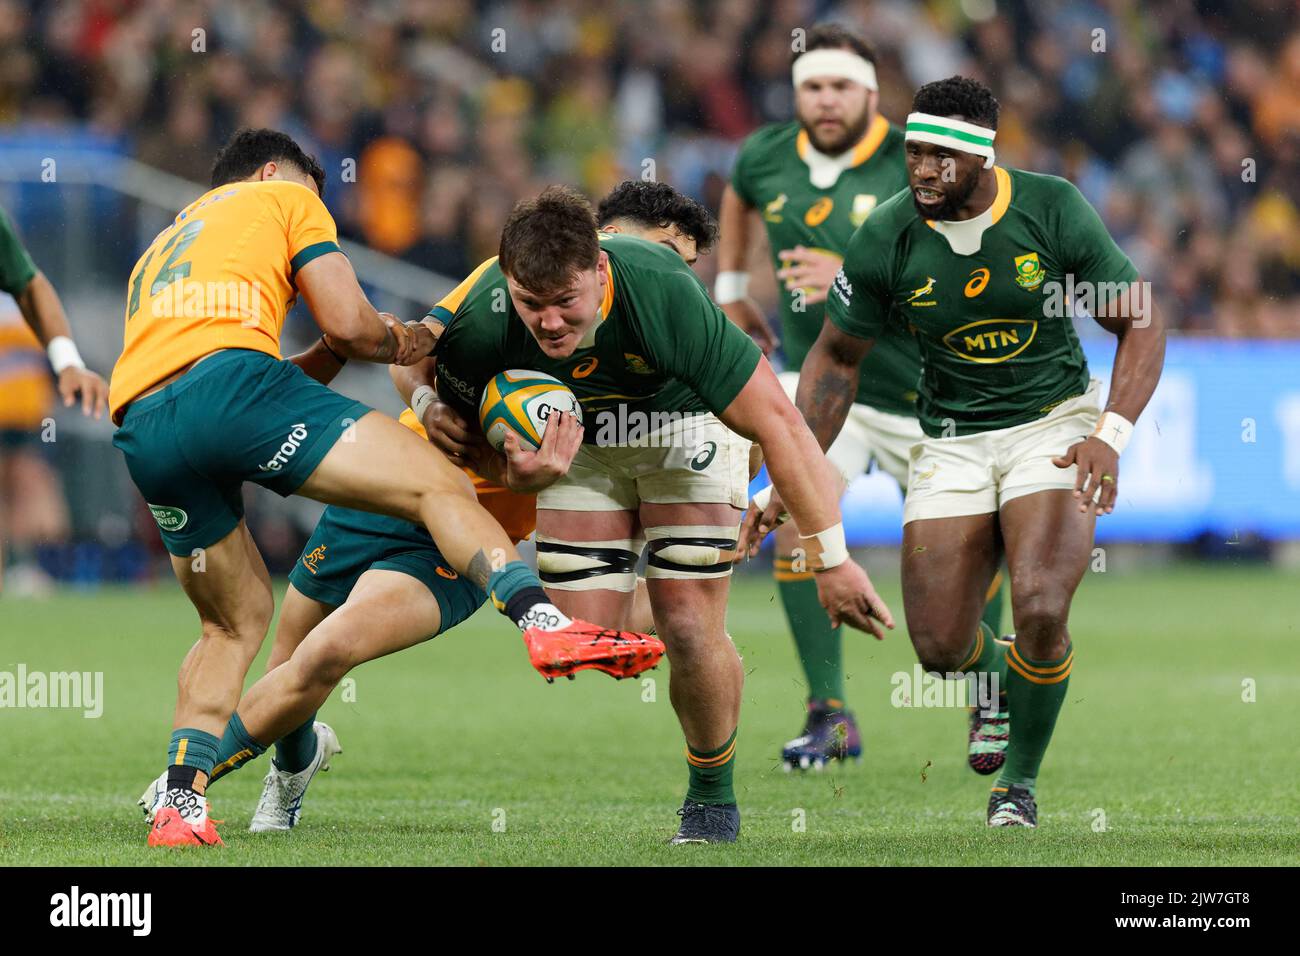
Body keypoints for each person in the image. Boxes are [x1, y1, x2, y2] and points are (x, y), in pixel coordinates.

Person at [110, 128, 655, 848]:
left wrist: (341, 350)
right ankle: (540, 622)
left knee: (234, 621)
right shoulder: (283, 196)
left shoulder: (164, 247)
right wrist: (391, 341)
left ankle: (183, 800)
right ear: (277, 171)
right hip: (237, 387)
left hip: (146, 424)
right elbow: (347, 324)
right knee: (438, 482)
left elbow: (245, 388)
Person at [399, 185, 894, 845]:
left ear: (600, 270)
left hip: (685, 425)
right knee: (582, 640)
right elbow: (420, 370)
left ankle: (711, 800)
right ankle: (684, 593)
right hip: (581, 442)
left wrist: (830, 559)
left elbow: (781, 424)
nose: (547, 323)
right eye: (532, 305)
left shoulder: (662, 287)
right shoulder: (486, 314)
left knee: (691, 625)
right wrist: (492, 454)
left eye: (565, 303)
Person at [742, 77, 1166, 827]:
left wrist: (1109, 431)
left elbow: (1140, 320)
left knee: (1039, 604)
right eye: (913, 154)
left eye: (941, 157)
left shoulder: (1050, 207)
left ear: (982, 158)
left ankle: (1019, 787)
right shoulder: (888, 232)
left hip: (1053, 424)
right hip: (951, 437)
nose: (923, 171)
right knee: (938, 647)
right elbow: (836, 359)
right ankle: (1001, 680)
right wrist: (794, 473)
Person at [0, 202, 108, 593]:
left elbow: (33, 286)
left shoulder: (19, 290)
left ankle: (22, 567)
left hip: (23, 412)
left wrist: (67, 365)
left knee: (27, 485)